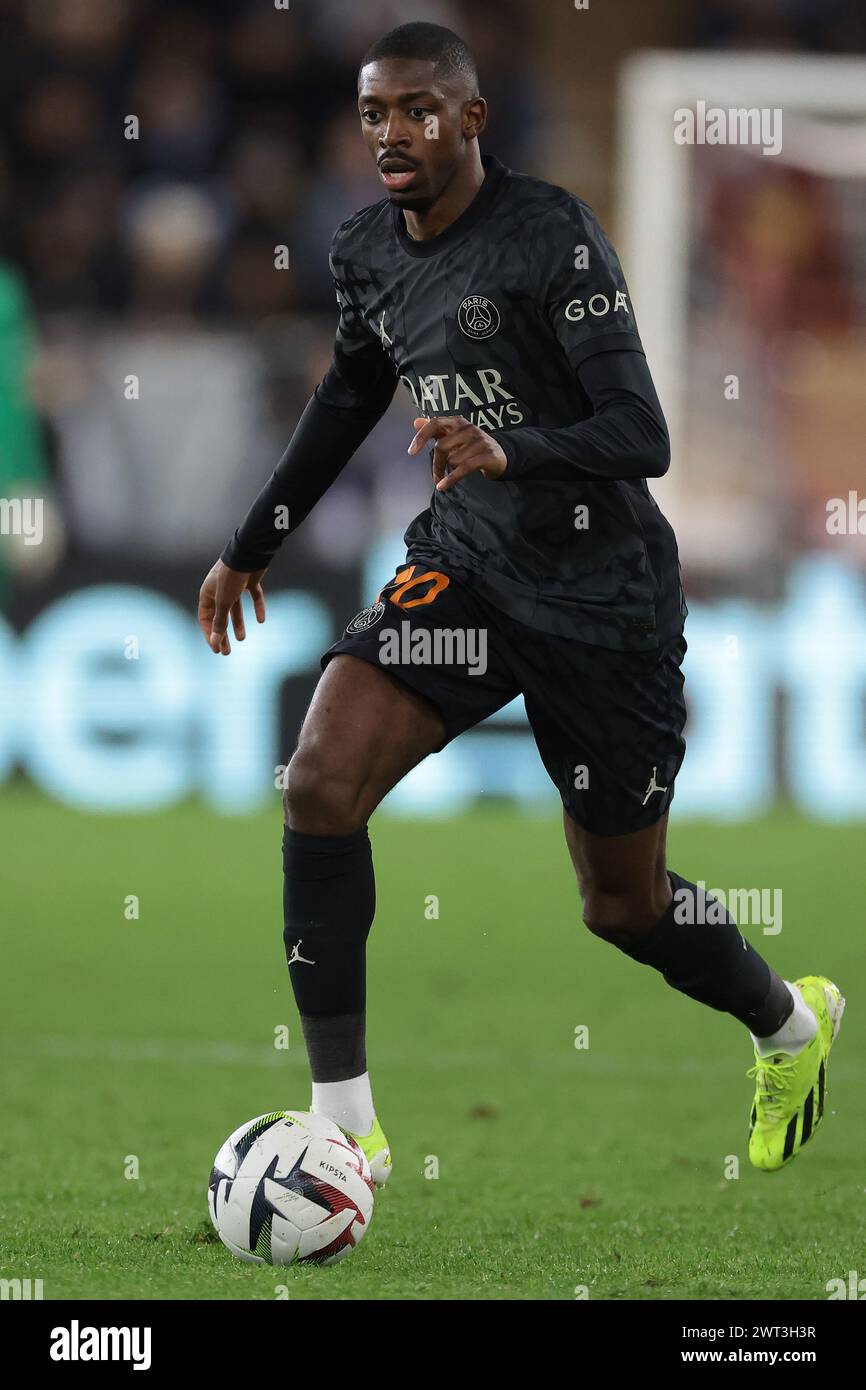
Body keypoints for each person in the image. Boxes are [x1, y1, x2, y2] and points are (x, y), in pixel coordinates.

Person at [198, 22, 844, 1185]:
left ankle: (788, 1026)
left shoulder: (550, 234)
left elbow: (639, 435)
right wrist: (250, 543)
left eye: (415, 110)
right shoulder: (363, 251)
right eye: (372, 113)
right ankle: (345, 1119)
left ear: (471, 118)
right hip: (470, 570)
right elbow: (346, 401)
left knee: (620, 904)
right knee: (320, 779)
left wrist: (508, 446)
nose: (391, 133)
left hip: (604, 602)